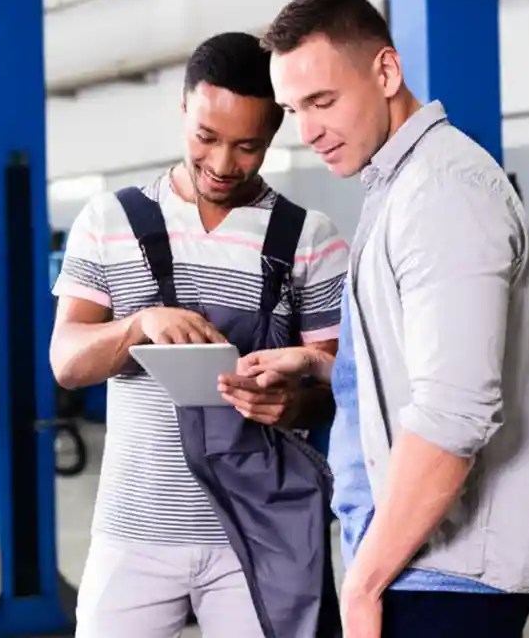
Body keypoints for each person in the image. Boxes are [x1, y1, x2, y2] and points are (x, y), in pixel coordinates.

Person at [243, 0, 529, 637]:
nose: (307, 131)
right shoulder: (399, 185)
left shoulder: (443, 193)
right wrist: (332, 369)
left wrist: (364, 584)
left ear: (386, 71)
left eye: (323, 101)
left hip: (443, 573)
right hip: (413, 562)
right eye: (293, 109)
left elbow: (455, 413)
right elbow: (425, 365)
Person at [50, 32, 349, 637]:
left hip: (261, 535)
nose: (221, 165)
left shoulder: (310, 239)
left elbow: (339, 382)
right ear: (183, 108)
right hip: (134, 532)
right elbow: (67, 362)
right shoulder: (109, 222)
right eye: (206, 138)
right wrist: (139, 324)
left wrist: (294, 401)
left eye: (247, 147)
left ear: (274, 132)